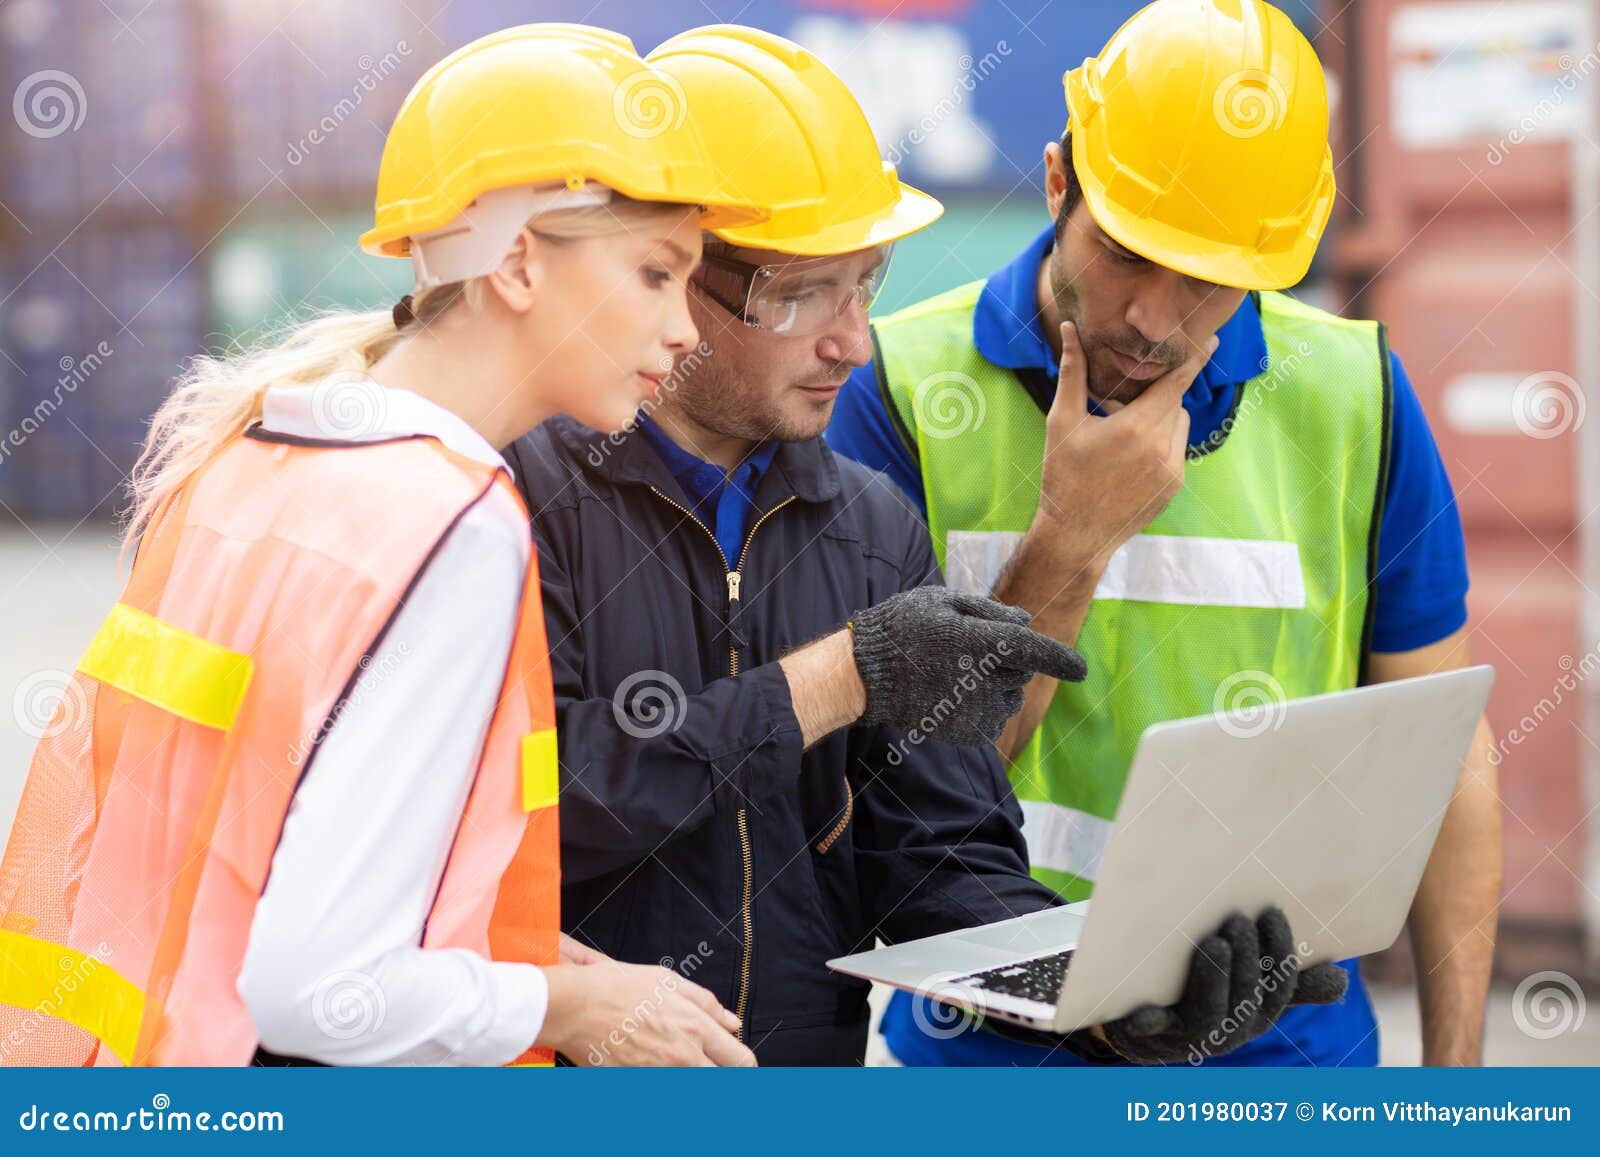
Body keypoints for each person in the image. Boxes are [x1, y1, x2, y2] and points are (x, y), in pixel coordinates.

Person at [508, 23, 1344, 1067]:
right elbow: (537, 805)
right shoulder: (509, 501)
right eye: (804, 291)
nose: (852, 341)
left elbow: (939, 857)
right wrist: (831, 677)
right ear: (667, 271)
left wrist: (1112, 995)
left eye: (866, 284)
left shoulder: (865, 525)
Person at [0, 25, 762, 1068]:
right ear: (520, 262)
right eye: (657, 273)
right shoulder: (451, 520)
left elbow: (243, 849)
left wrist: (512, 956)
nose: (686, 328)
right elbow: (318, 990)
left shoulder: (251, 450)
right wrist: (569, 1009)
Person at [826, 0, 1502, 1067]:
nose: (1154, 315)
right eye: (1127, 253)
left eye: (1207, 279)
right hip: (990, 1057)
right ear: (1057, 182)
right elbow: (901, 783)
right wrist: (1070, 539)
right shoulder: (895, 390)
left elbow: (1447, 753)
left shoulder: (1355, 396)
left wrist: (1455, 1083)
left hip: (1290, 1059)